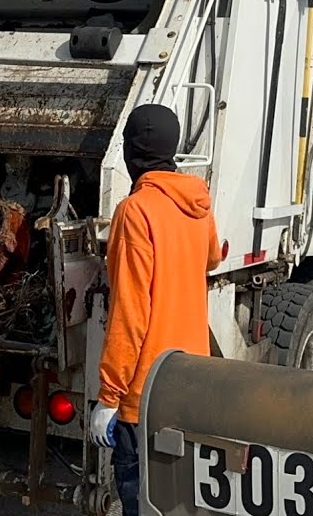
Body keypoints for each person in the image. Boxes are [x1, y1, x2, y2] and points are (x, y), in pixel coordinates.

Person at [89, 104, 222, 516]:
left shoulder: (136, 211)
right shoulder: (198, 203)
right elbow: (213, 258)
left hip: (144, 393)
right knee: (178, 499)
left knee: (141, 501)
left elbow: (130, 314)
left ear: (130, 152)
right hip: (190, 379)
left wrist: (109, 397)